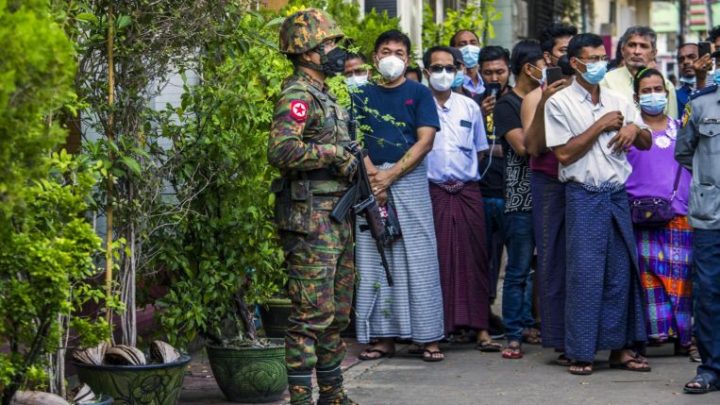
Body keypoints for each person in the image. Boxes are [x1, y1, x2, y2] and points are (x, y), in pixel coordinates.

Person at [544, 33, 652, 376]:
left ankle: (620, 349)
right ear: (575, 64)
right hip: (582, 195)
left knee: (621, 273)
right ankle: (582, 352)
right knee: (585, 274)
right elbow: (563, 153)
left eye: (602, 57)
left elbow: (648, 141)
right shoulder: (559, 103)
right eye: (592, 59)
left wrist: (634, 128)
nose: (599, 64)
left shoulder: (620, 98)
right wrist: (601, 125)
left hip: (616, 194)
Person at [268, 9, 358, 405]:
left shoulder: (325, 95)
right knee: (309, 316)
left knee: (336, 314)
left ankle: (333, 395)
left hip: (335, 216)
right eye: (329, 44)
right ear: (306, 52)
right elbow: (282, 149)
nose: (336, 51)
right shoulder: (298, 96)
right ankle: (302, 399)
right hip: (310, 221)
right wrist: (335, 154)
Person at [354, 29, 445, 362]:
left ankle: (427, 337)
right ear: (375, 57)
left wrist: (389, 177)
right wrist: (374, 178)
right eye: (384, 50)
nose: (391, 56)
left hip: (409, 180)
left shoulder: (420, 93)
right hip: (370, 180)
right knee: (374, 258)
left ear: (407, 59)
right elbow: (355, 138)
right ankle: (381, 337)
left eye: (398, 51)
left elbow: (425, 141)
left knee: (419, 258)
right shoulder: (359, 94)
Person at [422, 46, 498, 352]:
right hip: (432, 191)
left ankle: (480, 328)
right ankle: (436, 329)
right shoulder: (418, 105)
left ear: (457, 71)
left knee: (475, 258)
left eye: (449, 68)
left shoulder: (469, 107)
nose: (443, 74)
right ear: (426, 71)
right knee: (435, 261)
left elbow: (480, 150)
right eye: (437, 68)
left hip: (467, 190)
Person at [625, 68, 693, 357]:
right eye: (646, 90)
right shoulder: (630, 132)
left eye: (658, 89)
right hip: (641, 217)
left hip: (680, 216)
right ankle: (656, 333)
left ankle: (684, 337)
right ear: (636, 96)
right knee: (649, 279)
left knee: (680, 280)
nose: (653, 95)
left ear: (667, 93)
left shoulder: (683, 128)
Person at [521, 23, 576, 364]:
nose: (570, 60)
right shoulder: (532, 97)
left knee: (583, 260)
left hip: (584, 183)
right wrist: (546, 102)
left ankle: (586, 332)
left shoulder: (591, 94)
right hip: (549, 184)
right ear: (548, 57)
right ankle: (558, 336)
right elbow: (533, 146)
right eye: (563, 53)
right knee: (552, 261)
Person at [494, 39, 546, 359]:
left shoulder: (547, 97)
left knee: (542, 267)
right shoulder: (507, 105)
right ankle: (513, 334)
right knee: (518, 268)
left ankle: (530, 322)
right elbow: (524, 147)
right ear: (528, 68)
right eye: (542, 62)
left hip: (548, 194)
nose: (547, 68)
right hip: (521, 197)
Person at [676, 73, 720, 395]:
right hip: (710, 216)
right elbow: (683, 152)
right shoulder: (701, 104)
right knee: (708, 294)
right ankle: (711, 369)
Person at [476, 45, 512, 337]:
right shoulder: (472, 103)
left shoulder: (516, 101)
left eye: (499, 71)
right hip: (482, 192)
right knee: (484, 258)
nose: (494, 77)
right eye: (488, 72)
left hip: (513, 192)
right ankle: (484, 314)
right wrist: (480, 113)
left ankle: (516, 320)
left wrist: (495, 149)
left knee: (515, 260)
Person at [601, 26, 678, 118]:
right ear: (623, 50)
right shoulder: (606, 81)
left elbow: (672, 127)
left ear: (653, 53)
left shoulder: (666, 85)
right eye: (632, 45)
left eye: (643, 46)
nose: (637, 51)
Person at [450, 29, 485, 97]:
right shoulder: (452, 83)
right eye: (462, 44)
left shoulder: (487, 78)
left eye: (473, 43)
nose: (469, 48)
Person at [676, 43, 699, 114]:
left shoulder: (716, 88)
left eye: (692, 57)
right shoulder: (674, 95)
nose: (685, 62)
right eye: (681, 59)